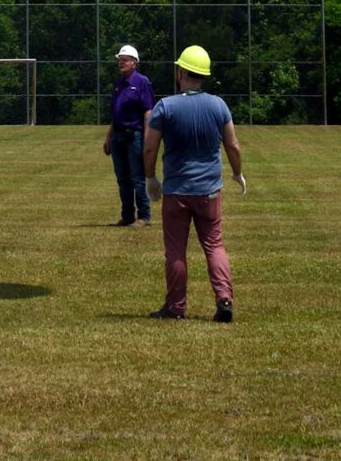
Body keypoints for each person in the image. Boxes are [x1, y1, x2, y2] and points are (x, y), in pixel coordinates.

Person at [143, 44, 245, 323]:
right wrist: (237, 173)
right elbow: (232, 145)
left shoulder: (166, 107)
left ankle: (175, 307)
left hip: (176, 191)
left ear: (181, 73)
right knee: (214, 245)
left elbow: (150, 148)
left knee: (176, 250)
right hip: (209, 191)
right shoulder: (218, 105)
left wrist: (150, 178)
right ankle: (224, 299)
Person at [103, 43, 154, 226]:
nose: (121, 63)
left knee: (137, 177)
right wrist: (109, 137)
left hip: (134, 136)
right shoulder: (118, 85)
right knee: (122, 178)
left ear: (134, 62)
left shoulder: (142, 82)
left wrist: (147, 138)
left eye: (124, 60)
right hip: (118, 136)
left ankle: (144, 216)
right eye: (119, 60)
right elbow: (115, 113)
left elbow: (148, 111)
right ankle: (127, 215)